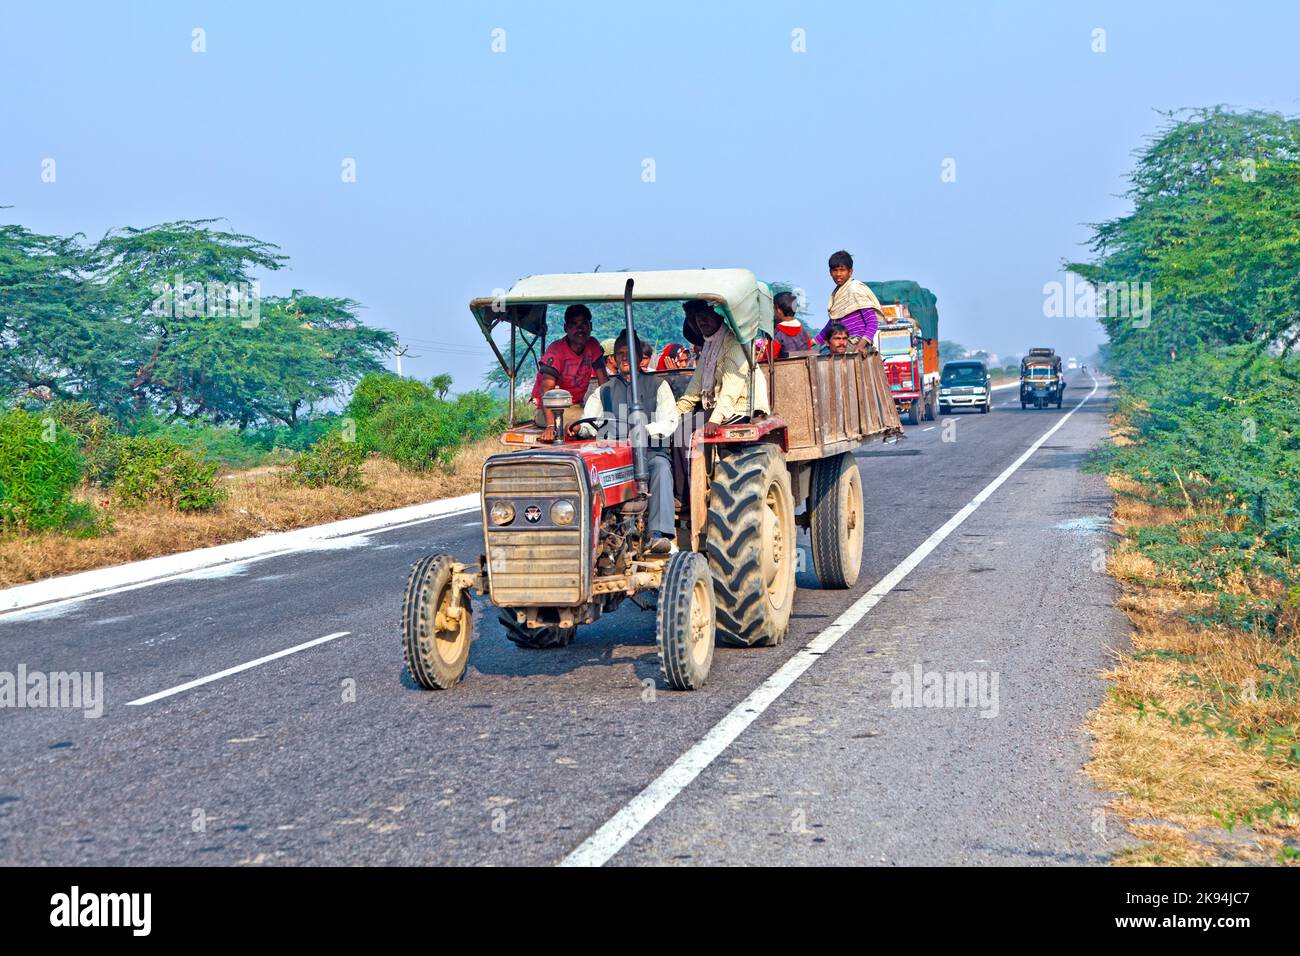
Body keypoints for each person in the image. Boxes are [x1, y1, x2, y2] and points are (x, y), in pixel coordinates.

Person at [574, 330, 680, 555]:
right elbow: (589, 422)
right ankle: (593, 538)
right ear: (614, 358)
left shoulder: (658, 385)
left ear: (641, 357)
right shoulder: (604, 391)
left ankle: (658, 535)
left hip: (650, 452)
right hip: (615, 457)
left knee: (660, 467)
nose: (624, 358)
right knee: (589, 474)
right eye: (620, 353)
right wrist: (578, 428)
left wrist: (645, 430)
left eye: (629, 353)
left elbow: (670, 421)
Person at [675, 300, 770, 438]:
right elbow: (694, 389)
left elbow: (732, 388)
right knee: (676, 427)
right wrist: (673, 415)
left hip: (741, 408)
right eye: (697, 316)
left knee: (683, 433)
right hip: (716, 406)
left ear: (719, 315)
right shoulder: (708, 344)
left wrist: (715, 419)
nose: (702, 320)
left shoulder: (734, 343)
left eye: (706, 314)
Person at [531, 304, 608, 442]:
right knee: (586, 422)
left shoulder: (593, 345)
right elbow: (546, 391)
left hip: (575, 406)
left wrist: (611, 407)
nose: (580, 328)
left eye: (584, 323)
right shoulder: (556, 351)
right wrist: (550, 426)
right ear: (566, 328)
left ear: (590, 326)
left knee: (606, 418)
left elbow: (604, 382)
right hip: (550, 408)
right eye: (574, 324)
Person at [818, 250, 882, 351]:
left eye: (842, 270)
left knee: (824, 357)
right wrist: (813, 342)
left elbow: (872, 322)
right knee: (819, 353)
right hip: (842, 341)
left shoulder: (854, 289)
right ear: (830, 272)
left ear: (850, 271)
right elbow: (831, 325)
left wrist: (860, 346)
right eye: (835, 270)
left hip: (855, 341)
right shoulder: (838, 293)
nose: (838, 274)